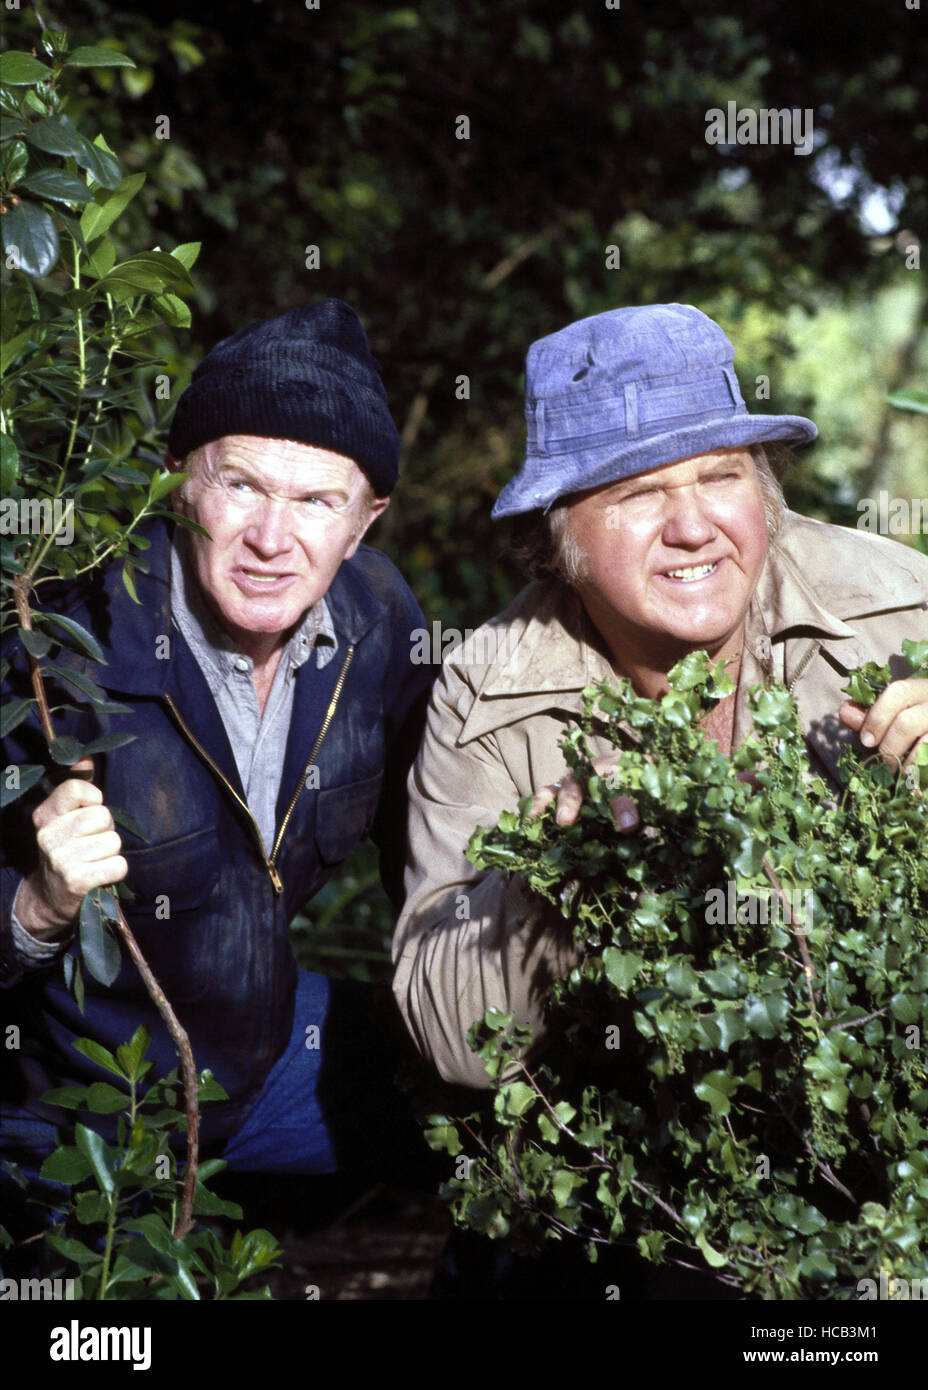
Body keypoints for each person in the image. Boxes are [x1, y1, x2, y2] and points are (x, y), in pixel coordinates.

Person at [392, 302, 928, 1094]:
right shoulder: (483, 693)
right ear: (560, 536)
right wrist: (549, 882)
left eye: (720, 476)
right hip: (639, 1143)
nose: (692, 526)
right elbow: (453, 1044)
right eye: (638, 493)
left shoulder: (904, 607)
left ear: (765, 492)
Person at [1, 300, 433, 1222]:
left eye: (317, 501)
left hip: (267, 1056)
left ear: (364, 523)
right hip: (67, 1109)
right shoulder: (58, 655)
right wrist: (37, 906)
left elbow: (428, 850)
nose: (273, 540)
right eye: (240, 485)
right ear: (176, 484)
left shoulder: (380, 619)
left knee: (497, 1092)